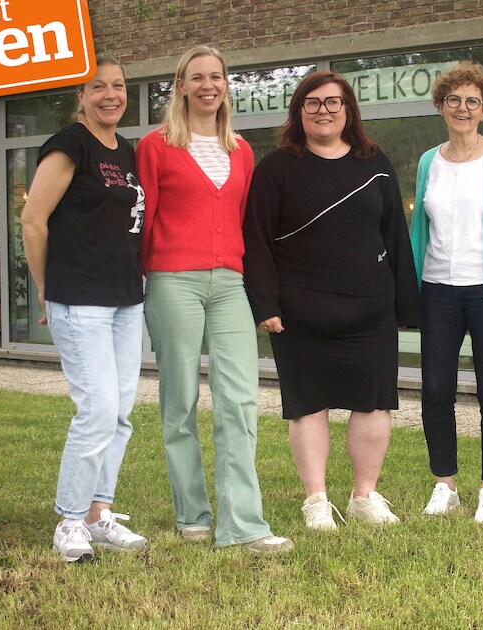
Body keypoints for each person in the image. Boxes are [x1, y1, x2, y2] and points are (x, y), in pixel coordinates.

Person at [243, 70, 420, 530]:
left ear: (348, 111)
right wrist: (265, 304)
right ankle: (316, 501)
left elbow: (395, 235)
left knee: (375, 404)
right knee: (307, 405)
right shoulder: (275, 168)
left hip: (370, 308)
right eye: (313, 103)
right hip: (300, 313)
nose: (324, 111)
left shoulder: (374, 163)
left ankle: (364, 496)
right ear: (299, 111)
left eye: (333, 103)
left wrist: (405, 303)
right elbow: (256, 240)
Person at [136, 46, 292, 555]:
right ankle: (193, 513)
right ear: (180, 85)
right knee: (179, 400)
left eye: (217, 76)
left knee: (239, 401)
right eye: (196, 77)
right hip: (172, 280)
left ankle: (243, 525)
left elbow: (247, 222)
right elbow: (145, 219)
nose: (208, 85)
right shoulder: (156, 146)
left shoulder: (241, 150)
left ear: (227, 85)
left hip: (229, 283)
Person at [21, 55, 149, 563]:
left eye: (118, 86)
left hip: (124, 298)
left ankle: (99, 514)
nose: (110, 95)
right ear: (81, 95)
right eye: (98, 87)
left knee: (119, 414)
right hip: (79, 297)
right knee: (96, 410)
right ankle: (70, 521)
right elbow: (33, 219)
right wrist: (44, 287)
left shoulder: (129, 151)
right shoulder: (69, 143)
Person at [408, 62, 483, 524]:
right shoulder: (428, 162)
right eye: (454, 100)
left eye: (472, 101)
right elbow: (420, 225)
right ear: (441, 106)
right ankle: (445, 484)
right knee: (436, 390)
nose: (462, 108)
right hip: (438, 288)